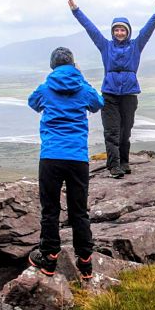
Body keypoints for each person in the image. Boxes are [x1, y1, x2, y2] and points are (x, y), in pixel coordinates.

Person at [68, 0, 155, 178]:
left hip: (129, 94)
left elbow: (148, 30)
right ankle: (114, 166)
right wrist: (76, 11)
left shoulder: (136, 45)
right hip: (110, 94)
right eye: (116, 30)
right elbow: (91, 29)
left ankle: (124, 162)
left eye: (123, 30)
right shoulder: (105, 46)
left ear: (127, 32)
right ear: (112, 32)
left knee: (125, 130)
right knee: (112, 131)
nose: (120, 33)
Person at [27, 47, 105, 279]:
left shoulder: (46, 87)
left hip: (51, 156)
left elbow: (33, 103)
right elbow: (98, 103)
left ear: (53, 65)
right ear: (73, 64)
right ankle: (85, 261)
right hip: (77, 158)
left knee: (50, 209)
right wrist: (81, 78)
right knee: (79, 211)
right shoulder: (82, 87)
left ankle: (49, 258)